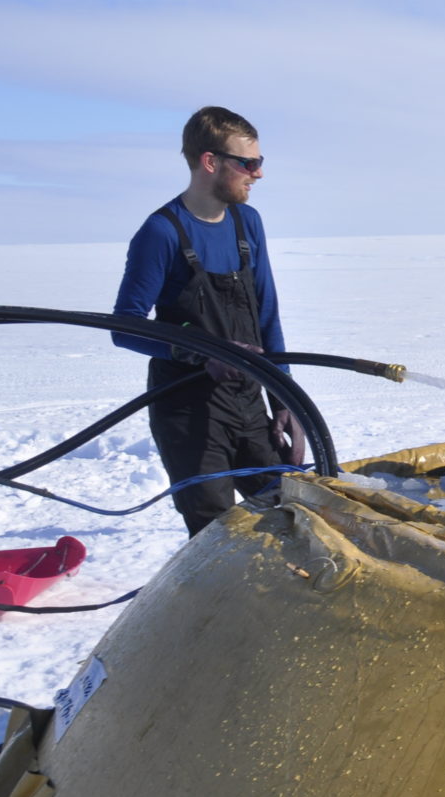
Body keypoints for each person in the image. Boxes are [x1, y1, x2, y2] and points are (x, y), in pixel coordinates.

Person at [112, 105, 294, 537]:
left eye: (260, 162)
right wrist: (195, 350)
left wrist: (284, 397)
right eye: (248, 163)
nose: (258, 174)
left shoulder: (247, 222)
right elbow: (125, 326)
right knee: (215, 533)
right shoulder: (161, 233)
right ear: (210, 162)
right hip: (188, 411)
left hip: (249, 402)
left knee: (289, 512)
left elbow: (267, 312)